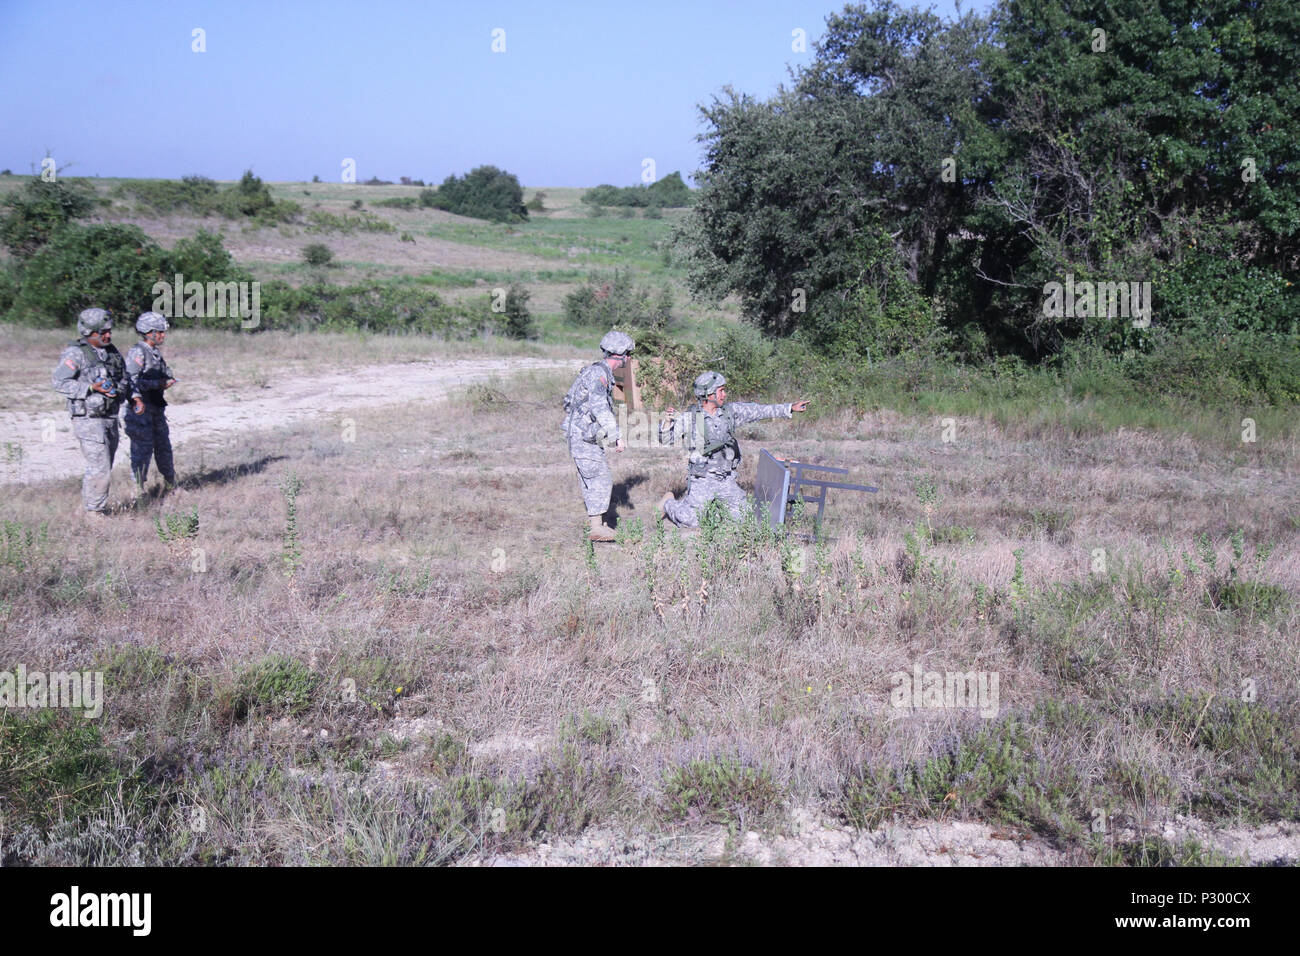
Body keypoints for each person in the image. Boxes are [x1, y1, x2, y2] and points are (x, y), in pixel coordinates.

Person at [658, 371, 809, 527]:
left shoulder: (730, 412)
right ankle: (668, 503)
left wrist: (790, 407)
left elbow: (760, 411)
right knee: (690, 520)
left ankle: (712, 510)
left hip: (726, 479)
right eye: (721, 390)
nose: (725, 394)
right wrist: (667, 423)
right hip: (702, 479)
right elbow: (666, 439)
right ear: (709, 394)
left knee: (744, 519)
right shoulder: (690, 417)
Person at [51, 308, 132, 518]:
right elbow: (59, 382)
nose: (108, 335)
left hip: (110, 417)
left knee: (105, 464)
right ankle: (94, 513)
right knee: (100, 466)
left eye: (109, 331)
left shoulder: (112, 352)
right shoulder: (75, 353)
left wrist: (122, 392)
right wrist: (90, 388)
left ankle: (88, 507)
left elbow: (124, 377)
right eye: (102, 332)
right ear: (89, 333)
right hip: (88, 419)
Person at [562, 329, 634, 542]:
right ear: (619, 354)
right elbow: (600, 407)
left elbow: (569, 400)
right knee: (600, 478)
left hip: (583, 435)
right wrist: (616, 436)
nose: (629, 358)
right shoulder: (600, 375)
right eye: (628, 354)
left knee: (592, 477)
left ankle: (597, 521)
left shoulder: (595, 371)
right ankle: (597, 527)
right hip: (583, 437)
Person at [123, 311, 178, 494]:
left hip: (155, 407)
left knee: (164, 447)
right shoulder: (138, 352)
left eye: (163, 332)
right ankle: (137, 491)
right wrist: (157, 384)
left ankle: (171, 484)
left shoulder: (154, 353)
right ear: (148, 332)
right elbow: (130, 381)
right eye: (159, 332)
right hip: (141, 410)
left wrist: (165, 381)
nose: (162, 335)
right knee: (142, 451)